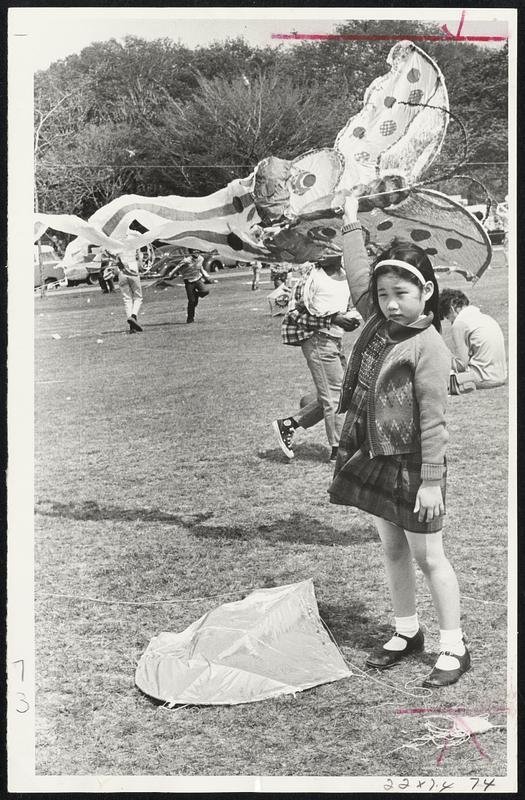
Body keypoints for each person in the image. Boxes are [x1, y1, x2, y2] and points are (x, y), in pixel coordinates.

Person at [327, 193, 469, 689]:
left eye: (402, 294)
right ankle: (407, 632)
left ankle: (454, 645)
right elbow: (355, 274)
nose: (390, 302)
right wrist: (349, 222)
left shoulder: (427, 346)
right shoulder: (379, 323)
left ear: (426, 291)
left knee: (431, 556)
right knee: (392, 549)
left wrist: (431, 484)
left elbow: (434, 423)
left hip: (414, 464)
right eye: (384, 293)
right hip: (375, 452)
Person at [272, 256, 361, 462]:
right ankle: (338, 451)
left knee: (334, 394)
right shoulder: (311, 276)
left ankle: (288, 425)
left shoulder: (346, 276)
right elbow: (293, 313)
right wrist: (332, 319)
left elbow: (346, 305)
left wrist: (349, 318)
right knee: (336, 397)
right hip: (317, 340)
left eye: (326, 249)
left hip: (335, 339)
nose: (320, 255)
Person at [439, 288, 507, 392]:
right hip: (500, 376)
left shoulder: (460, 323)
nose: (450, 321)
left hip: (482, 378)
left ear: (452, 309)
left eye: (448, 317)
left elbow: (461, 365)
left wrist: (443, 356)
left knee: (435, 377)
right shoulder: (484, 317)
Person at [114, 232, 144, 333]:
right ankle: (133, 316)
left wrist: (122, 267)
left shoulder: (116, 239)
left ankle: (132, 326)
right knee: (138, 297)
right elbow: (140, 257)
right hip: (133, 269)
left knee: (127, 299)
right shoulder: (135, 236)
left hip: (122, 272)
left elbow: (116, 259)